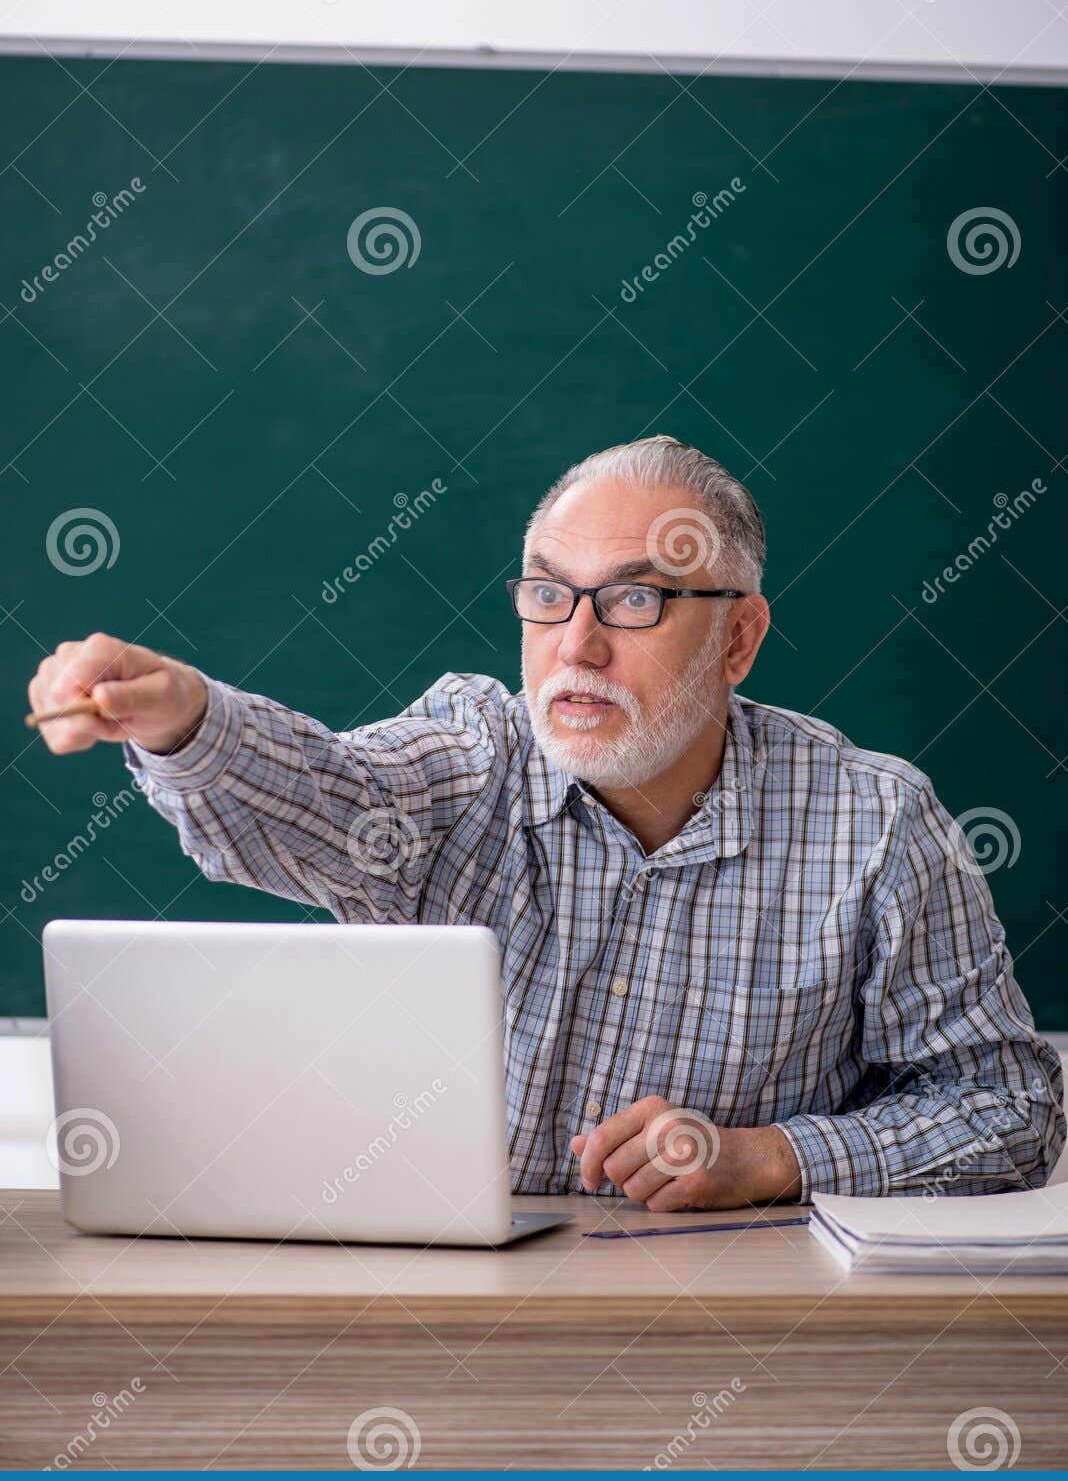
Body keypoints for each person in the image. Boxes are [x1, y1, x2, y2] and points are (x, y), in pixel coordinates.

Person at [27, 435, 1064, 1209]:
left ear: (739, 638)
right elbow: (322, 795)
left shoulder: (875, 825)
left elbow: (1009, 1107)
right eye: (548, 596)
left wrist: (768, 1156)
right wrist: (183, 718)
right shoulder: (470, 754)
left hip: (725, 1329)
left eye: (636, 603)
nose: (577, 647)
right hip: (428, 1305)